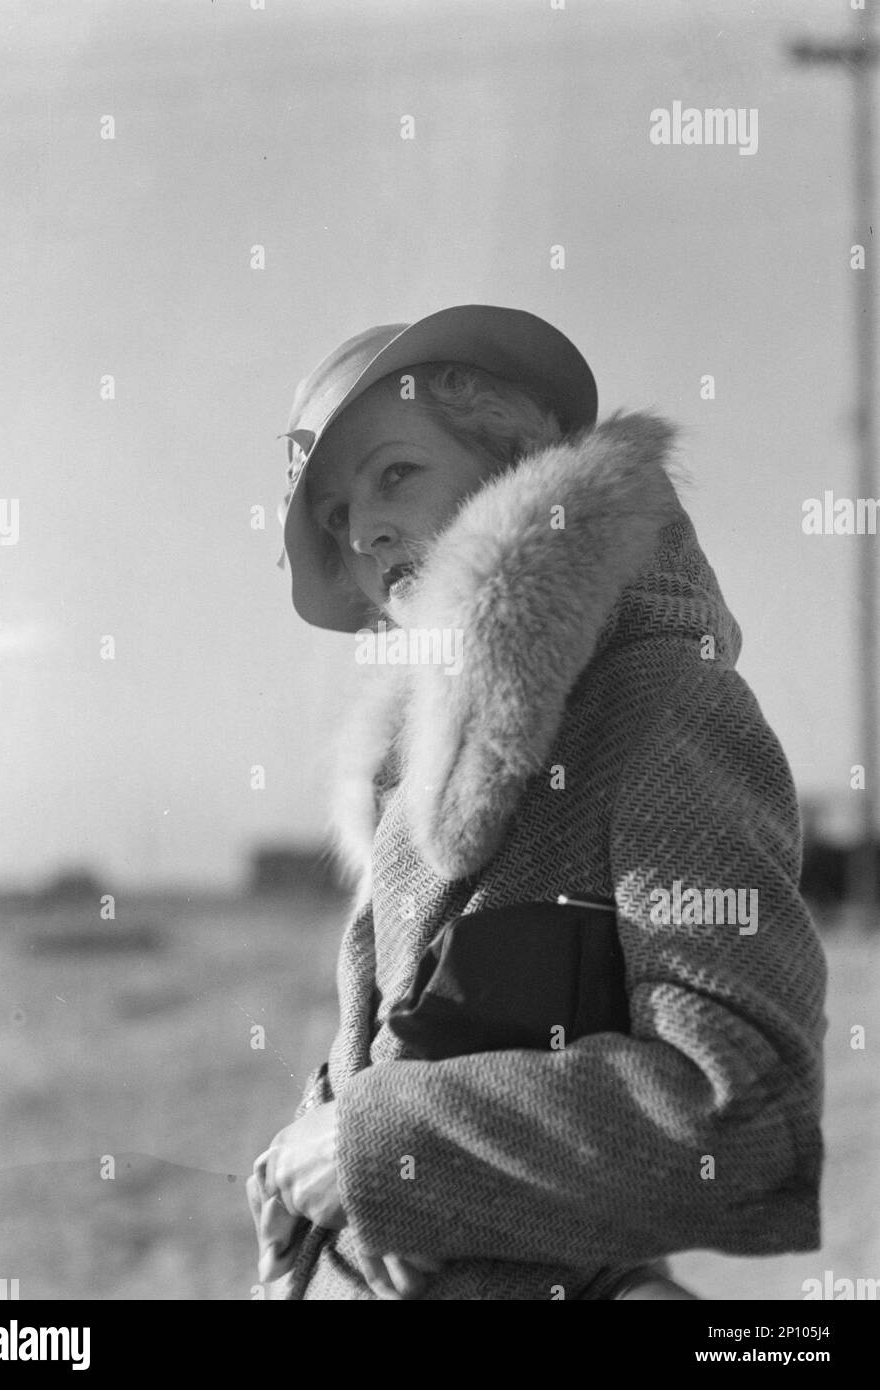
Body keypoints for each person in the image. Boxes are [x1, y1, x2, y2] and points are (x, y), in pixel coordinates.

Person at [246, 305, 828, 1301]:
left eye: (395, 472)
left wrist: (383, 1150)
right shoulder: (406, 772)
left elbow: (746, 1114)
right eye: (339, 517)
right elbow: (402, 1046)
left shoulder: (657, 703)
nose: (368, 528)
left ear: (511, 467)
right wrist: (301, 1157)